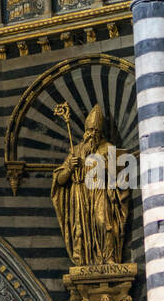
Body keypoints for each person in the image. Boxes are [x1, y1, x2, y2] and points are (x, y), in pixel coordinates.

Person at [50, 104, 130, 267]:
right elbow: (60, 180)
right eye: (90, 130)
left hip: (100, 192)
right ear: (85, 132)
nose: (92, 134)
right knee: (79, 230)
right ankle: (84, 261)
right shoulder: (76, 150)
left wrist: (91, 163)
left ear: (100, 133)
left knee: (103, 223)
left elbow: (116, 173)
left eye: (95, 131)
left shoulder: (107, 148)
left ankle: (109, 258)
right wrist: (70, 168)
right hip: (79, 194)